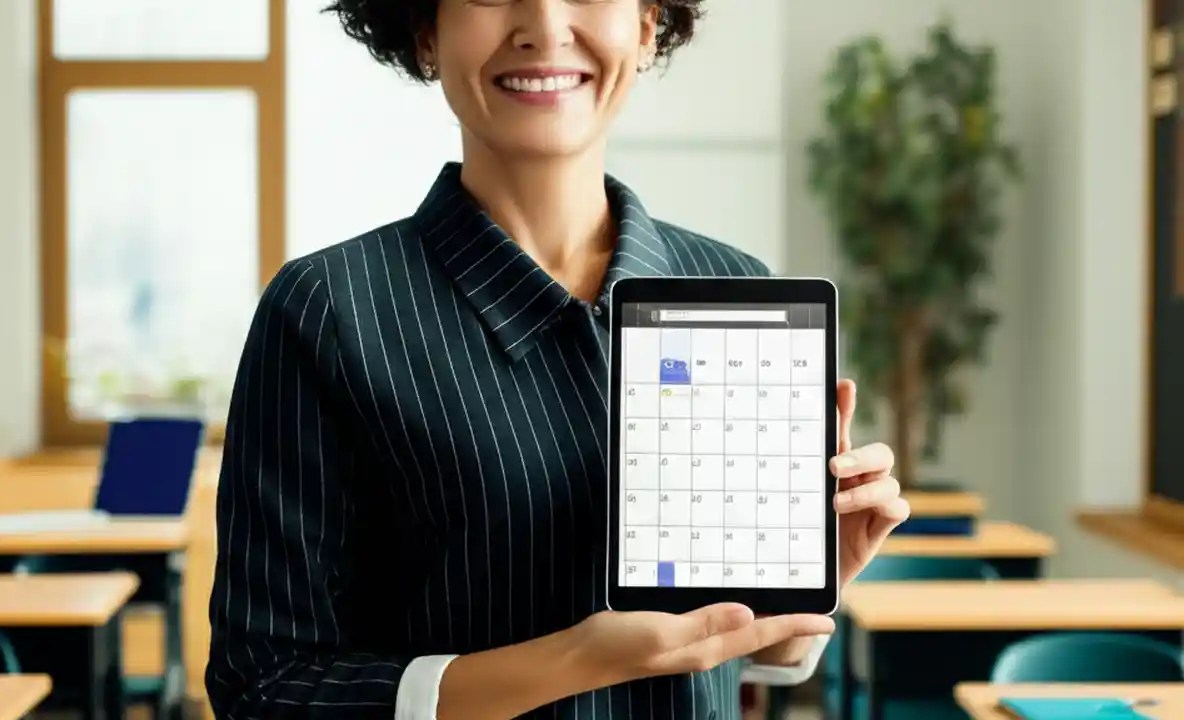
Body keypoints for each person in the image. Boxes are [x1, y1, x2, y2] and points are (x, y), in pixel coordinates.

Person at [205, 1, 911, 718]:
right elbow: (264, 689)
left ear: (645, 25)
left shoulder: (741, 288)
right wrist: (571, 662)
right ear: (425, 31)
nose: (543, 25)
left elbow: (727, 651)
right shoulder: (327, 312)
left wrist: (811, 582)